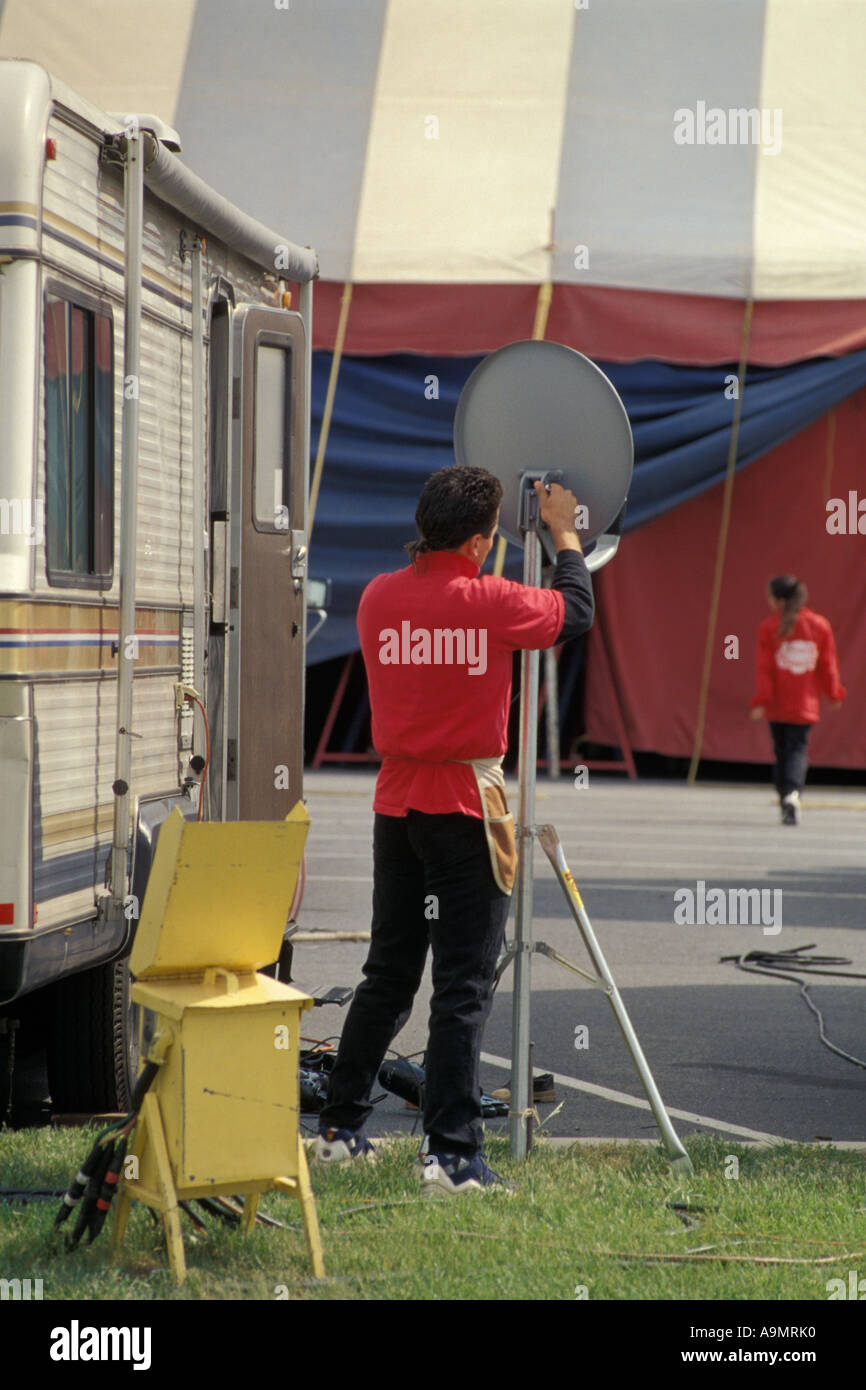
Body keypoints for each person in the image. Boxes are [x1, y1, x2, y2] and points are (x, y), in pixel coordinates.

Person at [315, 465, 594, 1194]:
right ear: (478, 540)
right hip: (466, 809)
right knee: (462, 987)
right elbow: (576, 613)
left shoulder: (379, 596)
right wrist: (565, 532)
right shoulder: (491, 601)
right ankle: (450, 1154)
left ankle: (341, 1129)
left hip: (396, 801)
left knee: (388, 973)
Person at [749, 575, 846, 825]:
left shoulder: (769, 628)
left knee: (782, 751)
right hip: (805, 704)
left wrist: (762, 700)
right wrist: (833, 693)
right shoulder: (819, 625)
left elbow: (764, 669)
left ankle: (786, 794)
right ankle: (792, 793)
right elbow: (828, 666)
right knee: (796, 749)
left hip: (778, 704)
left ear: (779, 601)